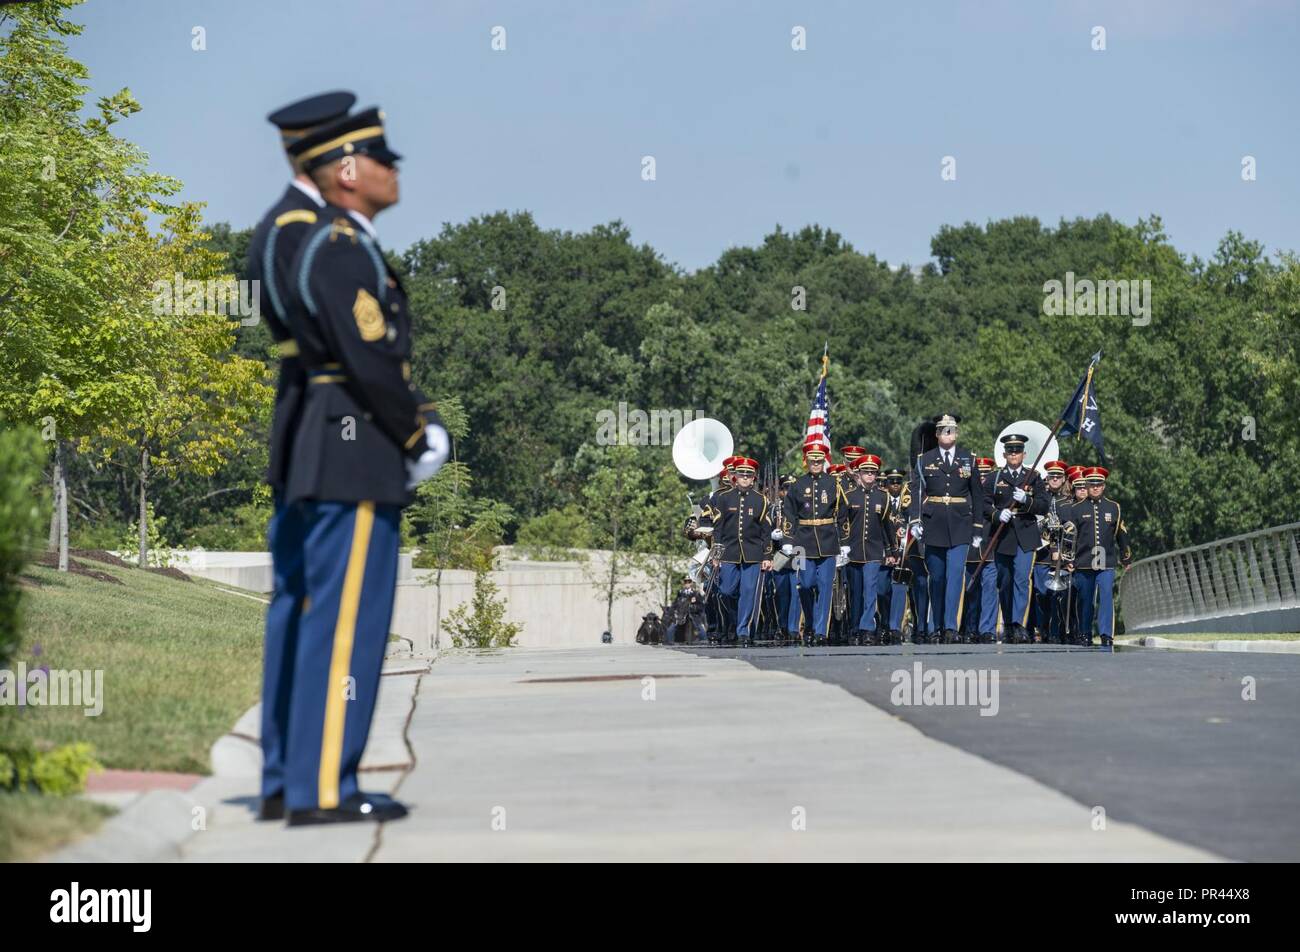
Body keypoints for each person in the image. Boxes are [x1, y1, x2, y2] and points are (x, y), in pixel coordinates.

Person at [277, 105, 450, 825]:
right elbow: (367, 359)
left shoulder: (345, 243)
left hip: (344, 450)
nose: (395, 168)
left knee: (345, 622)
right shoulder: (343, 248)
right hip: (353, 455)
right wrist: (417, 434)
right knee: (346, 625)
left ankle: (326, 780)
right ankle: (321, 788)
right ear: (346, 171)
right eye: (381, 157)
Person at [248, 91, 356, 823]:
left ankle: (285, 774)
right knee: (318, 608)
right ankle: (307, 779)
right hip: (325, 435)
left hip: (303, 432)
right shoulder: (303, 230)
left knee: (297, 603)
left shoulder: (283, 226)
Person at [908, 413, 985, 644]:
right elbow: (917, 491)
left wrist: (978, 529)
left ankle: (950, 626)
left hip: (961, 525)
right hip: (934, 524)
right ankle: (935, 625)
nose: (947, 433)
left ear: (957, 433)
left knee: (955, 577)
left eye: (951, 430)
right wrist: (914, 520)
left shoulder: (967, 459)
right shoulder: (925, 459)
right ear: (937, 434)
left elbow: (978, 496)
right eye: (943, 430)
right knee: (937, 578)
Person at [698, 456, 773, 646]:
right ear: (735, 477)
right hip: (729, 553)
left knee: (748, 592)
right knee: (725, 591)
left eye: (749, 475)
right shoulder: (723, 498)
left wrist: (767, 555)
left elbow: (766, 530)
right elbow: (718, 529)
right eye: (741, 475)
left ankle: (743, 631)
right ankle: (735, 619)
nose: (745, 478)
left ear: (754, 478)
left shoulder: (761, 500)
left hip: (753, 554)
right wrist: (716, 556)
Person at [778, 441, 846, 645]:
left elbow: (843, 512)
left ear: (824, 461)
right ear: (806, 461)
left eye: (819, 460)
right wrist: (788, 539)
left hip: (828, 540)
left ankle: (820, 631)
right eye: (812, 460)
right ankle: (810, 620)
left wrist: (844, 541)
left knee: (825, 587)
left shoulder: (833, 484)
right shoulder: (798, 485)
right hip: (803, 541)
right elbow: (789, 513)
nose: (815, 463)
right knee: (805, 585)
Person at [989, 433, 1049, 644]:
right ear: (1005, 454)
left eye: (1018, 451)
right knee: (1004, 582)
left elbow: (1044, 505)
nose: (1014, 455)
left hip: (1025, 533)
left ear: (1024, 454)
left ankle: (1020, 625)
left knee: (1022, 580)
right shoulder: (995, 477)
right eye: (1010, 451)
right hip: (1003, 535)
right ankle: (1008, 624)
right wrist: (997, 514)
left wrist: (1027, 500)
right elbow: (984, 504)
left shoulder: (1034, 477)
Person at [1067, 466, 1132, 647]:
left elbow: (1121, 533)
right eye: (1092, 484)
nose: (1095, 487)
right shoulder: (1076, 509)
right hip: (1083, 560)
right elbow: (1070, 537)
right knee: (1085, 600)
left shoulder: (1114, 507)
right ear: (1087, 485)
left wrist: (1126, 557)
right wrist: (1069, 559)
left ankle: (1106, 634)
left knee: (1106, 597)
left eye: (1099, 484)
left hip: (1106, 560)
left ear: (1104, 486)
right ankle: (1085, 633)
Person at [840, 454, 894, 645]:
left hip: (873, 551)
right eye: (866, 472)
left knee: (870, 590)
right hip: (853, 552)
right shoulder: (849, 496)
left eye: (873, 472)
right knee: (855, 592)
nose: (870, 475)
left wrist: (890, 551)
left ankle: (867, 629)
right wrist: (843, 545)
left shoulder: (883, 497)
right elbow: (842, 523)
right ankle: (854, 628)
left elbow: (887, 526)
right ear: (859, 473)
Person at [962, 457, 999, 644]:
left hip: (991, 549)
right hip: (969, 551)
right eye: (980, 474)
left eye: (986, 474)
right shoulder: (966, 495)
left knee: (990, 590)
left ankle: (987, 629)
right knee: (970, 592)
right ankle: (970, 628)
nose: (983, 477)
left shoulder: (995, 495)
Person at [665, 577, 707, 644]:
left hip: (693, 615)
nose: (687, 583)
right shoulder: (680, 593)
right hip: (680, 615)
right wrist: (672, 612)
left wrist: (694, 607)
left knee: (700, 629)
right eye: (685, 582)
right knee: (670, 630)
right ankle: (669, 642)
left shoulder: (695, 594)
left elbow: (701, 606)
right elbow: (674, 605)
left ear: (691, 583)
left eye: (689, 582)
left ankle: (704, 640)